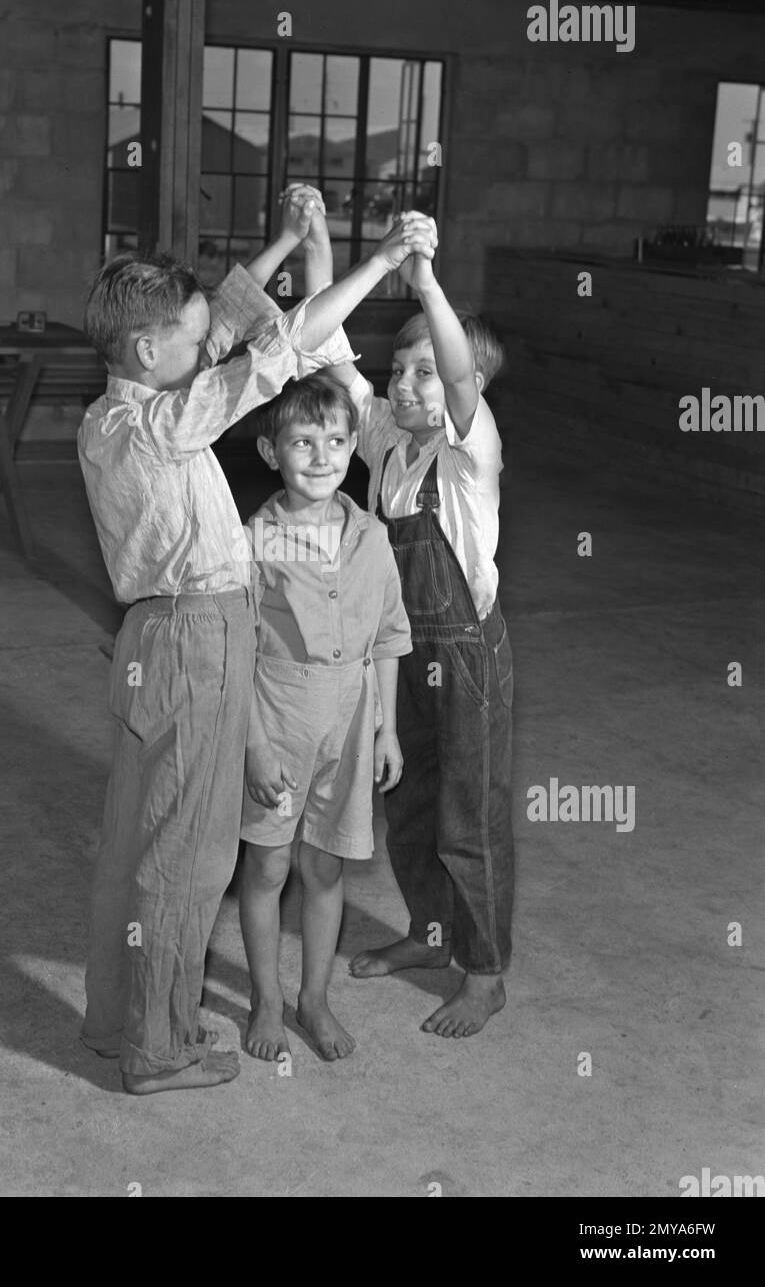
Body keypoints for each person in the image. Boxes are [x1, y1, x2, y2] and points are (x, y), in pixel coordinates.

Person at [77, 196, 435, 1093]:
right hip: (196, 637)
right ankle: (159, 1049)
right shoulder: (164, 426)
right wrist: (379, 262)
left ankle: (123, 1014)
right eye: (192, 349)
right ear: (148, 353)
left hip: (151, 639)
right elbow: (269, 354)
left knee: (135, 838)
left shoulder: (112, 415)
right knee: (189, 858)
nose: (209, 355)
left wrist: (279, 235)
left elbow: (227, 325)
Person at [341, 214, 515, 1039]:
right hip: (402, 654)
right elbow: (326, 357)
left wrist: (428, 282)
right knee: (406, 799)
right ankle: (428, 932)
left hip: (467, 654)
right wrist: (320, 244)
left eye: (423, 373)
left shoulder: (467, 451)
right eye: (397, 370)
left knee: (466, 812)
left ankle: (482, 974)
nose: (403, 385)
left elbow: (455, 377)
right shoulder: (386, 450)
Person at [238, 371, 412, 1063]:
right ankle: (266, 999)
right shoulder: (254, 539)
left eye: (335, 441)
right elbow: (237, 649)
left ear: (352, 449)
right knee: (267, 865)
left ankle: (313, 998)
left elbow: (391, 635)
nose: (320, 456)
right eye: (301, 442)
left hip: (351, 715)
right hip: (277, 715)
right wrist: (252, 746)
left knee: (326, 868)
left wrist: (387, 727)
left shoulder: (369, 534)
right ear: (268, 450)